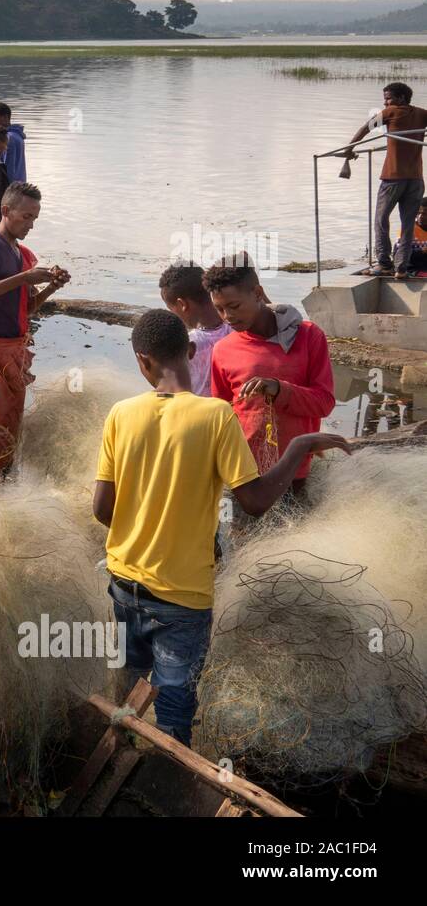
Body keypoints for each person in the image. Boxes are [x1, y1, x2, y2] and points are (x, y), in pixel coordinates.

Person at [94, 308, 351, 746]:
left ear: (142, 360)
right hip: (182, 596)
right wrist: (299, 447)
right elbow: (253, 502)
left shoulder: (121, 413)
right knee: (175, 699)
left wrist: (146, 521)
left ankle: (120, 748)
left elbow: (103, 508)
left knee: (129, 676)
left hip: (123, 582)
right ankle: (169, 771)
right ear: (191, 352)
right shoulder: (216, 416)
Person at [0, 181, 69, 481]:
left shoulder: (24, 254)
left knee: (8, 425)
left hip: (15, 352)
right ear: (6, 211)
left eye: (35, 218)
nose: (31, 224)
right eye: (26, 217)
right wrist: (23, 277)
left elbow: (26, 307)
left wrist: (49, 287)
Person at [206, 254, 336, 496]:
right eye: (219, 309)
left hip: (293, 471)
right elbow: (222, 415)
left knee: (295, 531)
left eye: (234, 306)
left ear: (257, 293)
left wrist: (279, 389)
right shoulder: (223, 350)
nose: (227, 316)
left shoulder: (307, 336)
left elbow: (324, 403)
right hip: (243, 473)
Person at [346, 82, 427, 279]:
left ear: (400, 98)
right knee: (408, 224)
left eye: (388, 98)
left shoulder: (390, 112)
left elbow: (365, 128)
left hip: (393, 178)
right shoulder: (422, 113)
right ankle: (401, 268)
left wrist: (349, 149)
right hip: (415, 179)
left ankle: (384, 264)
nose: (385, 102)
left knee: (381, 220)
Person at [158, 262, 230, 397]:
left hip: (199, 414)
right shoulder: (238, 327)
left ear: (182, 304)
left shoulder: (188, 344)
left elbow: (172, 390)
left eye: (171, 309)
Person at [0, 102, 26, 183]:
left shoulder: (8, 138)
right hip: (21, 187)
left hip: (12, 190)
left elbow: (8, 171)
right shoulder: (17, 135)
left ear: (5, 117)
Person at [394, 197, 427, 274]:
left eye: (425, 214)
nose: (420, 217)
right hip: (412, 269)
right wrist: (422, 251)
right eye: (418, 213)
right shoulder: (408, 230)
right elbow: (397, 255)